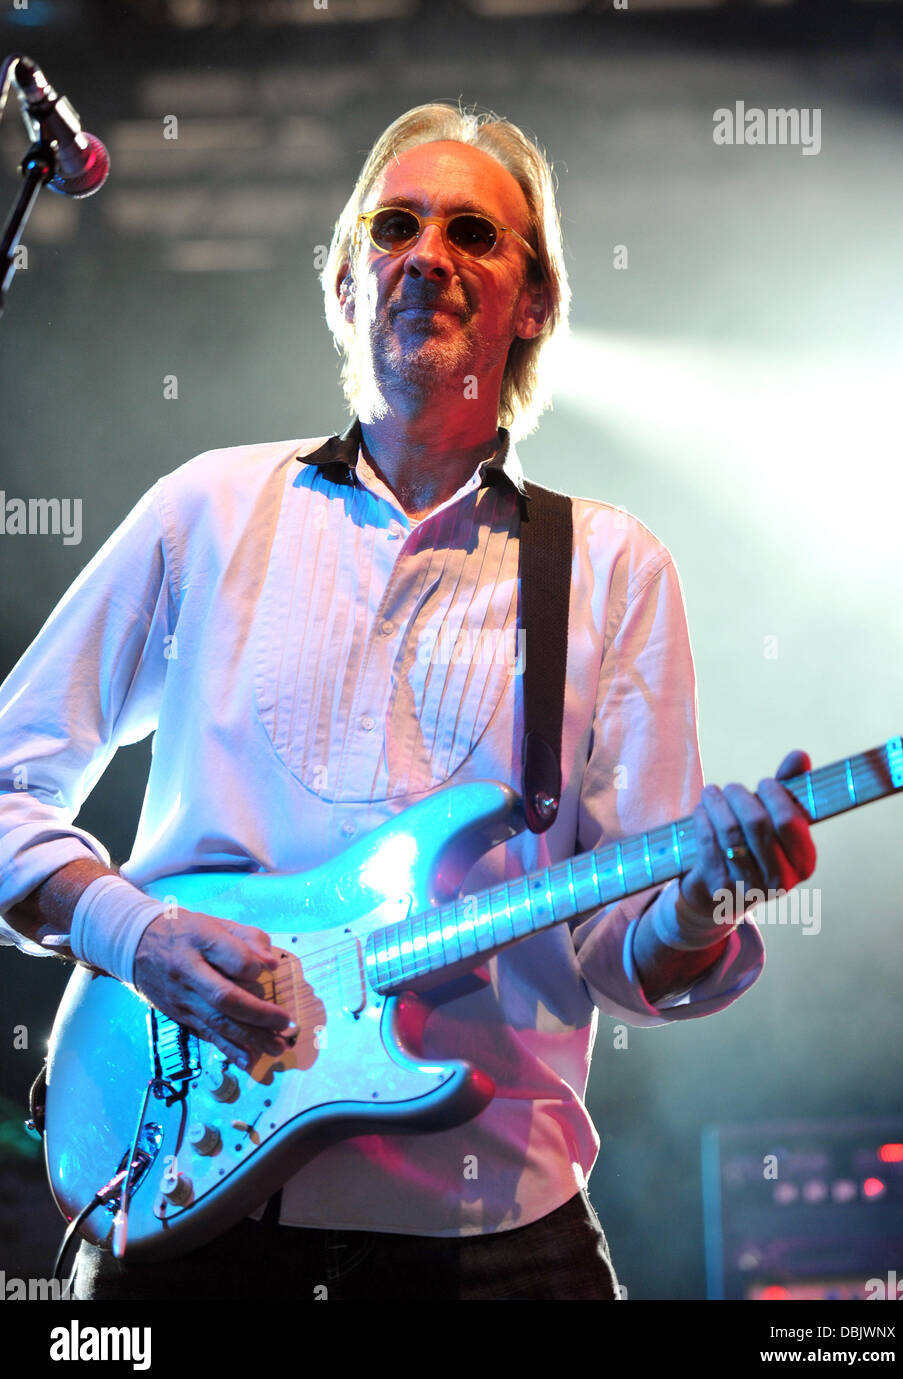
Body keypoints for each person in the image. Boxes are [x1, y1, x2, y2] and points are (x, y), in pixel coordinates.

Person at [0, 102, 816, 1300]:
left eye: (474, 234)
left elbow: (623, 950)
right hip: (186, 1207)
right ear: (344, 281)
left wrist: (703, 897)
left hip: (491, 1242)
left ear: (533, 302)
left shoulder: (612, 567)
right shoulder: (206, 509)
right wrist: (142, 935)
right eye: (395, 225)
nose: (427, 253)